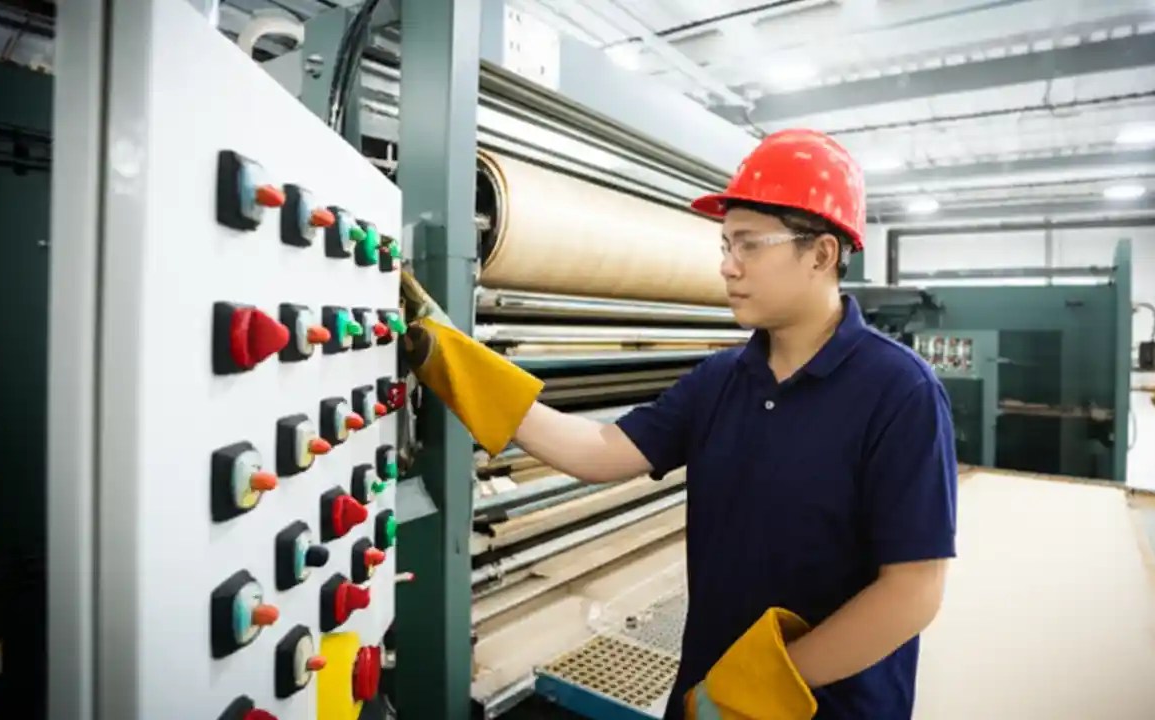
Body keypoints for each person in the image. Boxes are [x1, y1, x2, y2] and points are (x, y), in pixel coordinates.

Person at [401, 128, 958, 719]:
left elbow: (911, 593)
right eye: (724, 245)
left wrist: (762, 688)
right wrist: (454, 360)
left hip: (829, 706)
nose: (726, 267)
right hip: (706, 694)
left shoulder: (900, 392)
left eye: (747, 245)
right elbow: (597, 450)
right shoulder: (721, 381)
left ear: (820, 254)